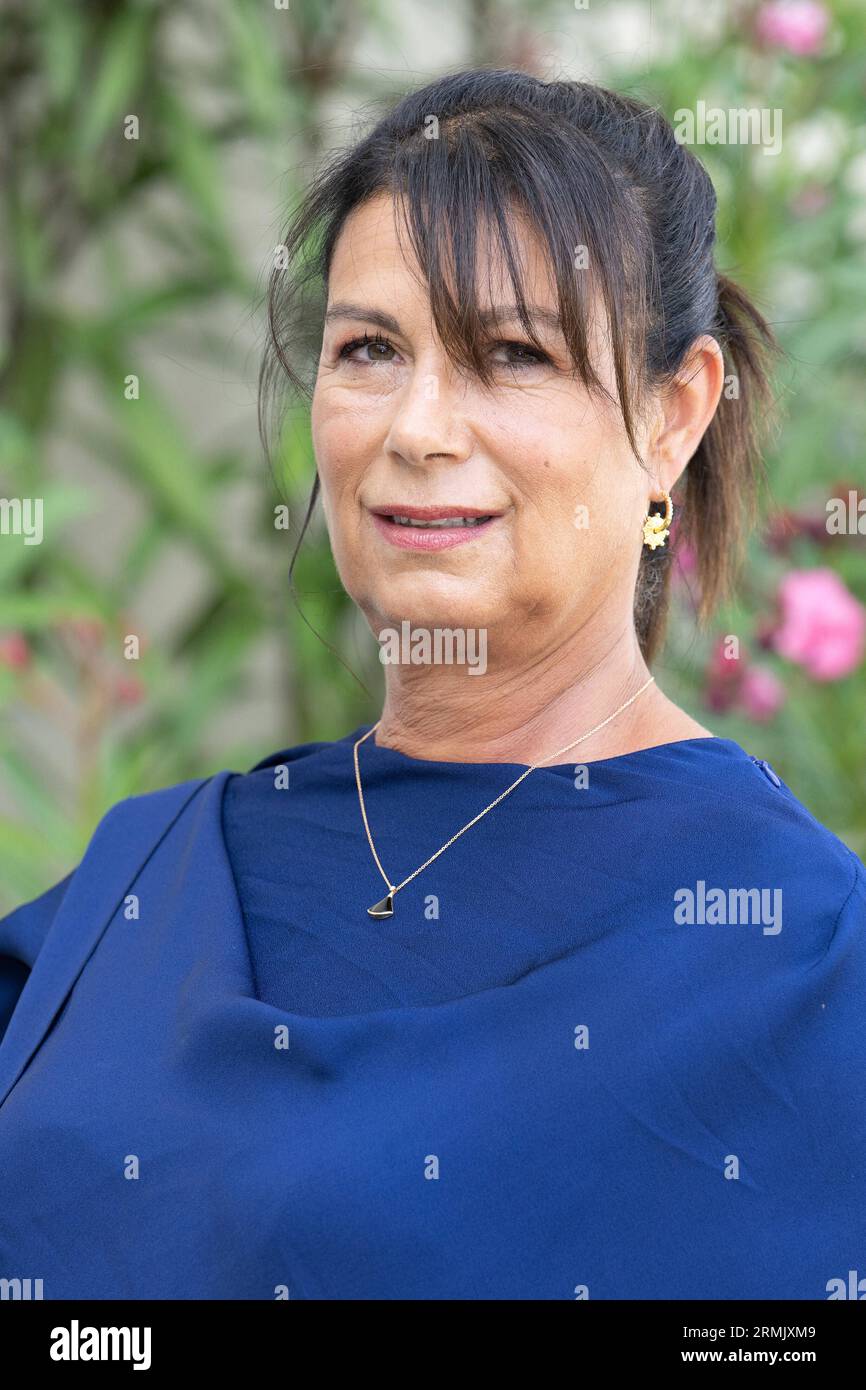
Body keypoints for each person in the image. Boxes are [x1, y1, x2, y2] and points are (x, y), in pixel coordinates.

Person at [1, 68, 863, 1301]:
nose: (415, 426)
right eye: (368, 349)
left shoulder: (800, 956)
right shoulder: (151, 880)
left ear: (675, 416)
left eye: (509, 353)